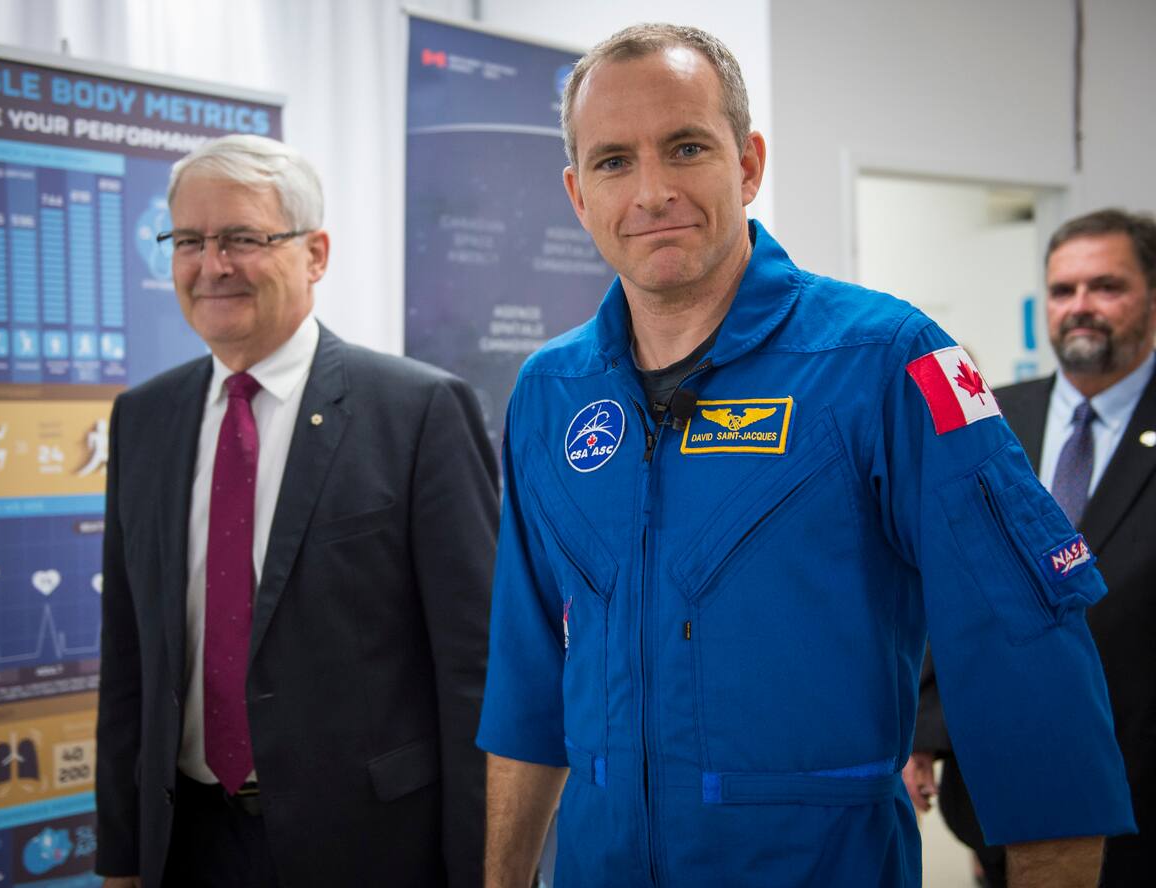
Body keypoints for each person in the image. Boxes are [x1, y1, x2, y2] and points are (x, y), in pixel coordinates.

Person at [475, 24, 1135, 888]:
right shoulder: (550, 393)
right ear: (575, 193)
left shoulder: (891, 360)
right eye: (612, 162)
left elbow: (1026, 655)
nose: (652, 191)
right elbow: (528, 680)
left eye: (686, 147)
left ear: (747, 163)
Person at [94, 134, 497, 888]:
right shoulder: (143, 419)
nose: (212, 265)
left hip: (366, 848)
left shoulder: (418, 413)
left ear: (315, 254)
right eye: (189, 240)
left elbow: (474, 672)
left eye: (243, 238)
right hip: (186, 845)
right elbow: (128, 664)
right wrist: (121, 859)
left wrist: (485, 872)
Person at [908, 208, 1156, 887]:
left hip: (1139, 782)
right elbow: (943, 572)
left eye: (1106, 286)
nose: (1079, 307)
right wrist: (923, 728)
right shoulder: (990, 412)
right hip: (999, 787)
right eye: (1062, 290)